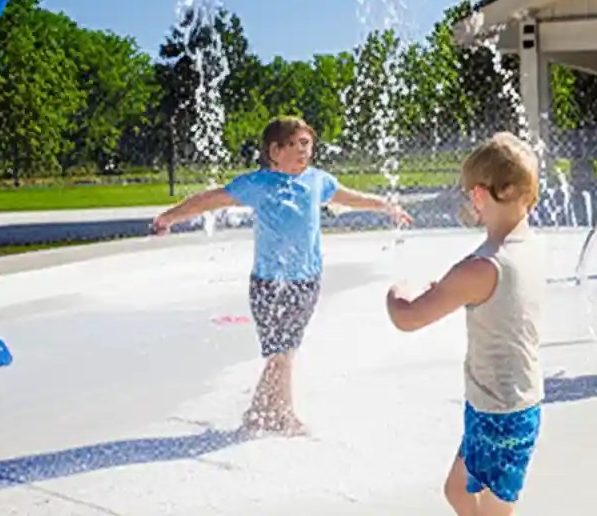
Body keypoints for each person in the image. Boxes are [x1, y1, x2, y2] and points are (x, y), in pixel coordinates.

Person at [151, 116, 412, 435]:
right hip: (268, 283)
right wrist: (169, 217)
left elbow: (350, 197)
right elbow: (211, 199)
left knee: (284, 352)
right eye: (296, 145)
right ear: (275, 150)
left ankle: (262, 413)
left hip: (307, 281)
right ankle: (280, 415)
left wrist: (388, 207)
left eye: (308, 144)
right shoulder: (257, 184)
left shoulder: (318, 181)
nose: (304, 151)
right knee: (280, 352)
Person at [386, 132, 546, 515]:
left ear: (478, 195)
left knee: (492, 509)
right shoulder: (530, 247)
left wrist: (397, 290)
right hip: (508, 401)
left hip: (500, 411)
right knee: (458, 491)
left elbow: (407, 317)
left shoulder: (481, 267)